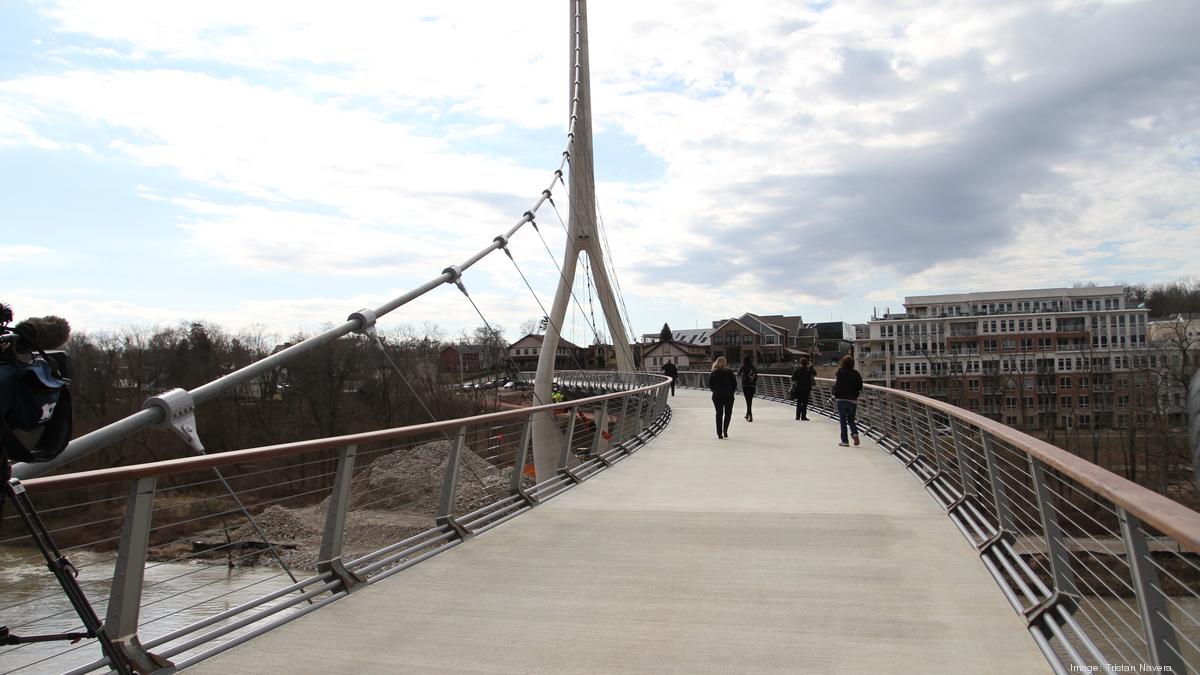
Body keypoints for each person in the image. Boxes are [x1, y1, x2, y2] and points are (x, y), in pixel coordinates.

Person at [833, 354, 863, 447]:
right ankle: (854, 434)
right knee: (851, 420)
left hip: (841, 400)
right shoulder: (856, 373)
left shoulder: (840, 372)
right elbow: (859, 387)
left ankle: (845, 441)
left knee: (842, 421)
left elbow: (837, 386)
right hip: (852, 400)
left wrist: (835, 394)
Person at [708, 356, 737, 439]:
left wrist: (715, 391)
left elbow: (710, 386)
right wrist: (731, 392)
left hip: (717, 396)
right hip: (728, 395)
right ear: (724, 363)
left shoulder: (713, 372)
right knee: (728, 413)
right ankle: (725, 431)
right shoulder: (729, 372)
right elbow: (734, 384)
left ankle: (719, 433)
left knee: (719, 414)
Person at [737, 355, 758, 422]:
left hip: (745, 386)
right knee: (750, 401)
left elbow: (738, 374)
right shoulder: (753, 368)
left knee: (748, 401)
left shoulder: (743, 367)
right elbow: (756, 377)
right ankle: (747, 414)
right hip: (752, 386)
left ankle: (750, 415)